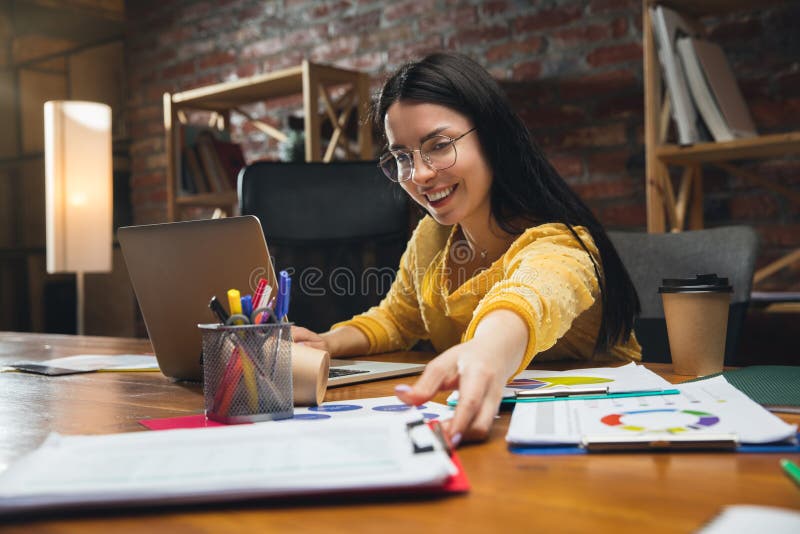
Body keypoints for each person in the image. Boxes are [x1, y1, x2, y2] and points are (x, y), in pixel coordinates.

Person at [292, 52, 641, 446]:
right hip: (494, 429)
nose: (420, 175)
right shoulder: (433, 238)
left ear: (491, 137)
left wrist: (487, 350)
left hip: (602, 429)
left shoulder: (559, 243)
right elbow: (398, 319)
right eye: (403, 157)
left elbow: (530, 297)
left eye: (439, 145)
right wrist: (326, 342)